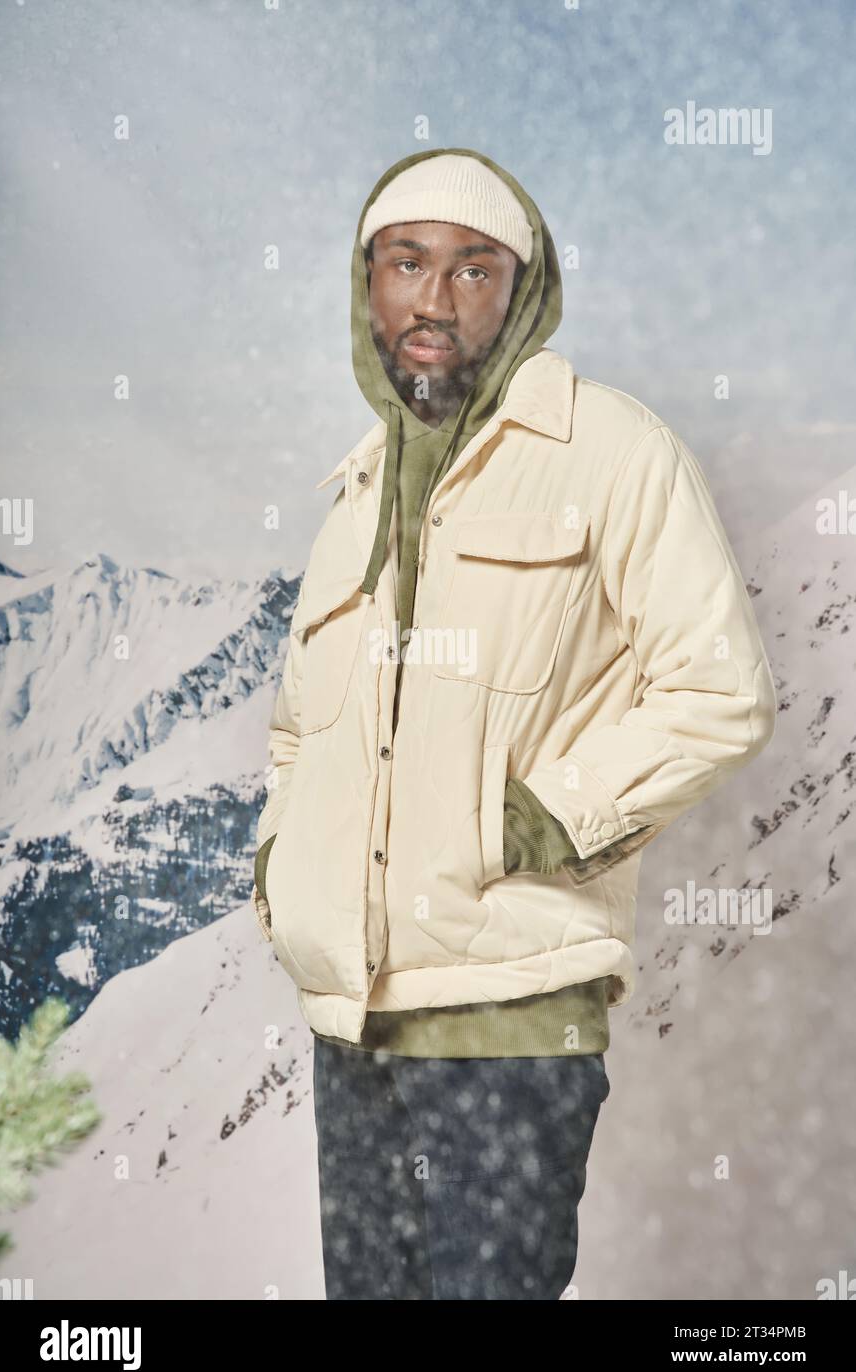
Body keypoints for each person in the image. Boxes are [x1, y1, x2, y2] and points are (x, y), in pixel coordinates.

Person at [251, 148, 777, 1299]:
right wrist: (281, 858)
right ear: (366, 285)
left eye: (472, 269)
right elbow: (300, 729)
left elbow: (720, 686)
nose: (432, 299)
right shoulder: (351, 500)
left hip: (506, 1034)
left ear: (521, 293)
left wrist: (534, 820)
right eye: (406, 262)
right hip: (354, 1032)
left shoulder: (610, 453)